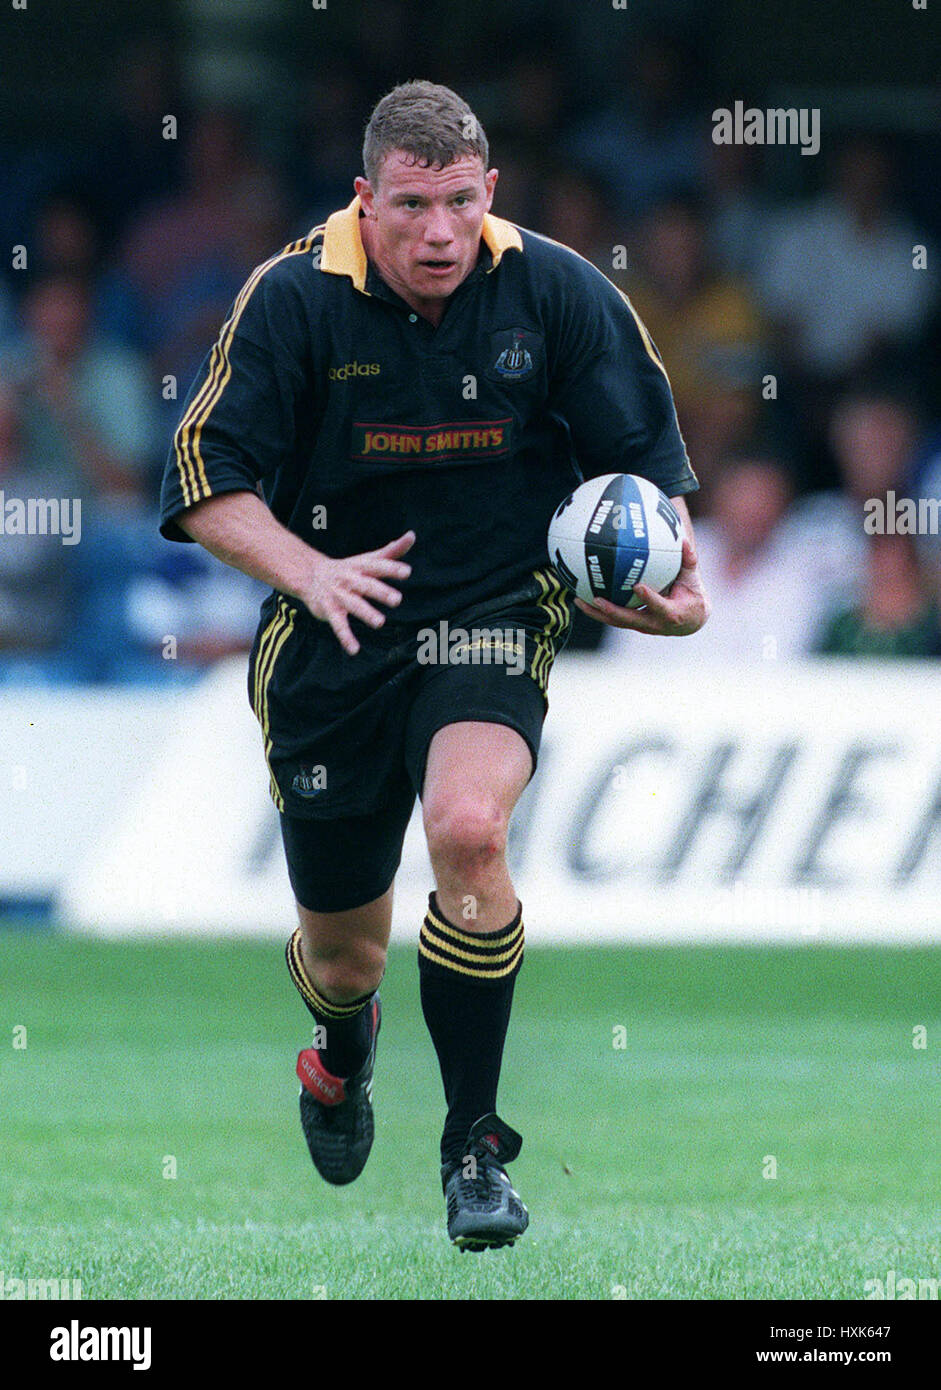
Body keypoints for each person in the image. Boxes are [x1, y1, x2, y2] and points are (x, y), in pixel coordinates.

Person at [158, 81, 708, 1252]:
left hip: (493, 613)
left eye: (460, 201)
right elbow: (203, 481)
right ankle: (342, 1055)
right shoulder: (292, 297)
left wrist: (682, 592)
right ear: (367, 199)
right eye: (411, 205)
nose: (439, 231)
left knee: (468, 829)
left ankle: (472, 1147)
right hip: (332, 642)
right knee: (344, 955)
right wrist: (309, 572)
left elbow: (644, 482)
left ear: (489, 191)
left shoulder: (558, 292)